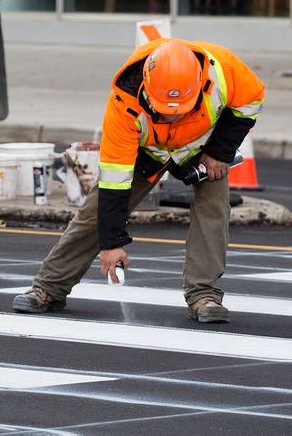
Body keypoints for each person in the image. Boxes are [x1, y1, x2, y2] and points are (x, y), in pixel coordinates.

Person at [13, 38, 265, 323]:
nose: (173, 116)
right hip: (148, 153)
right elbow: (114, 183)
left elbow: (251, 101)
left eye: (181, 108)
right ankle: (49, 287)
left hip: (204, 146)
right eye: (164, 110)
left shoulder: (224, 70)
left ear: (200, 83)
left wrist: (220, 152)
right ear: (146, 85)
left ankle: (203, 295)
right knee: (93, 214)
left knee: (214, 208)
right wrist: (112, 244)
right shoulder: (123, 104)